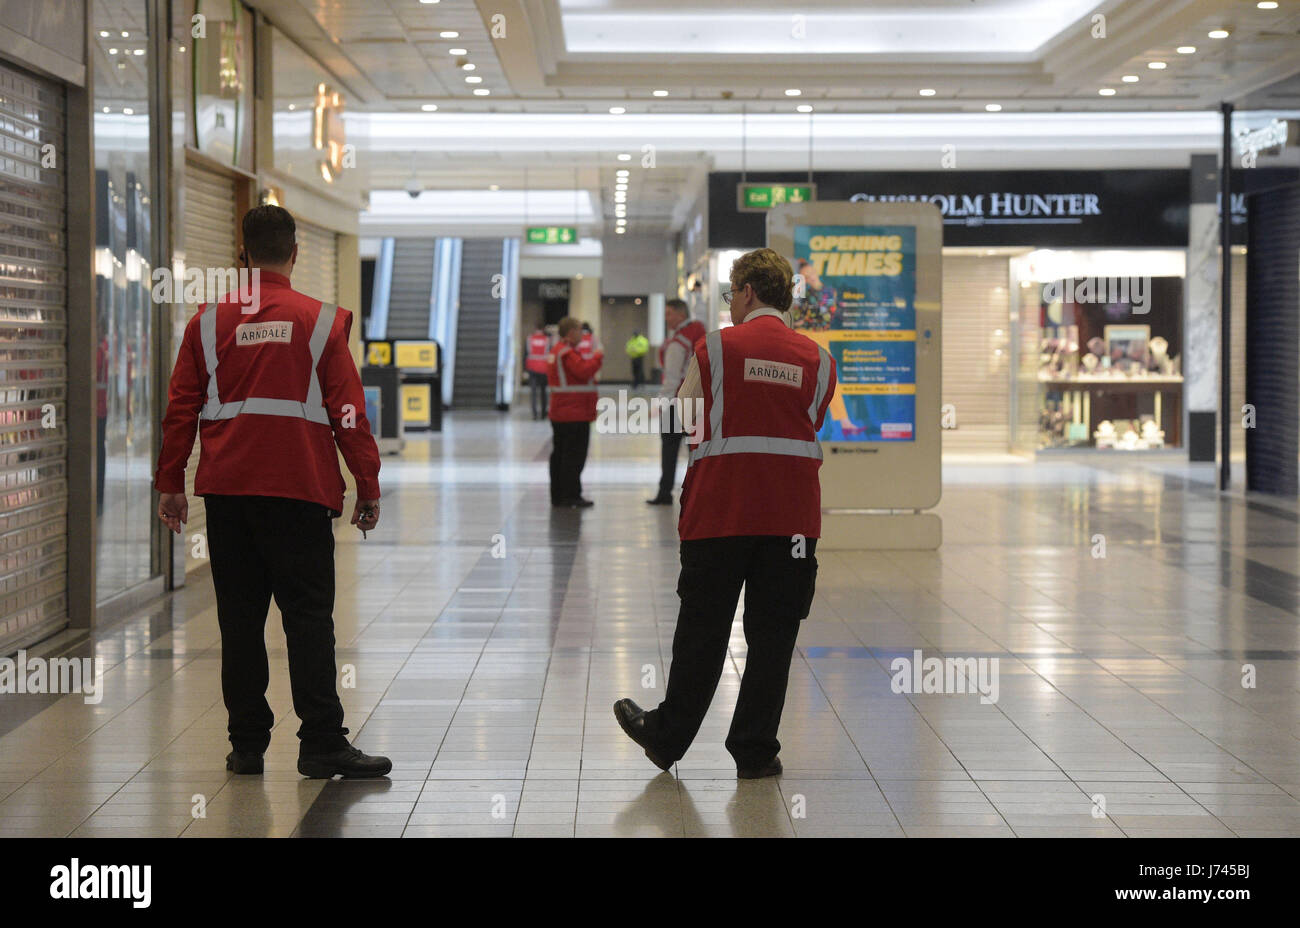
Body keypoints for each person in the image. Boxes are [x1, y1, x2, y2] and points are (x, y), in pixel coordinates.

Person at [154, 204, 392, 780]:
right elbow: (349, 413)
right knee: (308, 617)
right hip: (300, 491)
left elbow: (180, 410)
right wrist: (367, 484)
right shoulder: (321, 321)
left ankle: (247, 746)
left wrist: (171, 484)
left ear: (241, 255)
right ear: (294, 253)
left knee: (239, 619)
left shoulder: (206, 324)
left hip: (229, 496)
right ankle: (320, 743)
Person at [614, 248, 837, 779]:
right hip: (792, 523)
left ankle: (667, 738)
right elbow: (810, 422)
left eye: (731, 293)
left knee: (703, 629)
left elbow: (687, 414)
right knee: (773, 636)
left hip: (721, 513)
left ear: (748, 292)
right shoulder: (819, 360)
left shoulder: (714, 348)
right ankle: (755, 749)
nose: (730, 304)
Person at [646, 299, 705, 505]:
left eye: (669, 313)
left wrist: (660, 404)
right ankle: (698, 493)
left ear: (681, 314)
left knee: (669, 448)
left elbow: (672, 378)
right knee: (695, 450)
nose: (666, 317)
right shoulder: (700, 332)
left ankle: (665, 492)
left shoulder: (679, 342)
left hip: (677, 403)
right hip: (697, 402)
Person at [548, 316, 603, 508]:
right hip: (573, 412)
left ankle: (559, 495)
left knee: (560, 455)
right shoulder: (567, 353)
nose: (582, 334)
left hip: (562, 412)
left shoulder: (557, 351)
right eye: (579, 330)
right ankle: (570, 495)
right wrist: (598, 356)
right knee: (573, 457)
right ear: (571, 333)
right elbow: (585, 370)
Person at [524, 324, 551, 420]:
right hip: (544, 368)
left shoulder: (529, 339)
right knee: (544, 392)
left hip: (532, 368)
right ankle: (544, 413)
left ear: (535, 329)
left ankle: (534, 414)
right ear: (543, 329)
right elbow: (550, 354)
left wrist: (525, 369)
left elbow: (526, 354)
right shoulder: (547, 340)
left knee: (533, 392)